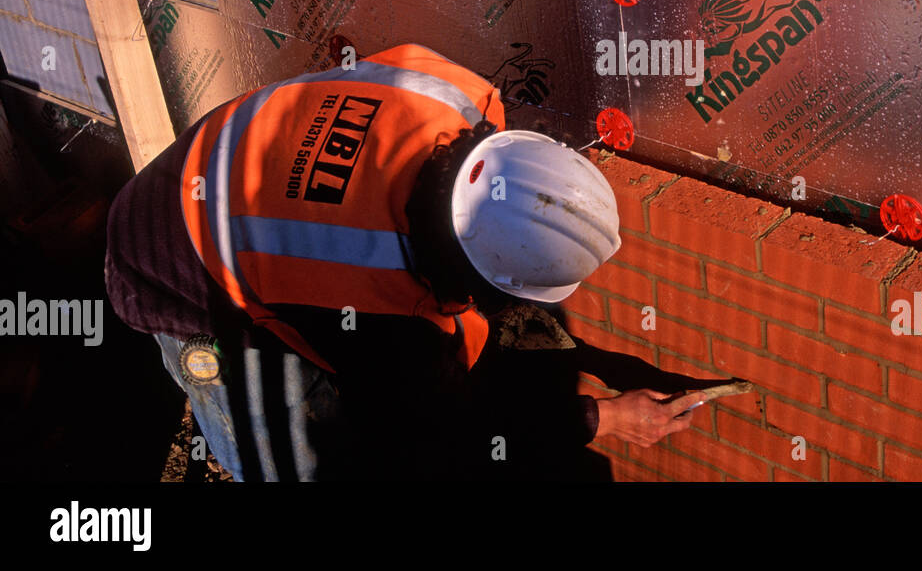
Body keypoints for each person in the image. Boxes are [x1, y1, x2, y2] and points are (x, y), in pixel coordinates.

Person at [104, 43, 709, 480]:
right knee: (305, 460)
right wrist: (600, 420)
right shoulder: (376, 301)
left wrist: (594, 361)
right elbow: (441, 435)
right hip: (167, 267)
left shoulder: (457, 93)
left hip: (214, 164)